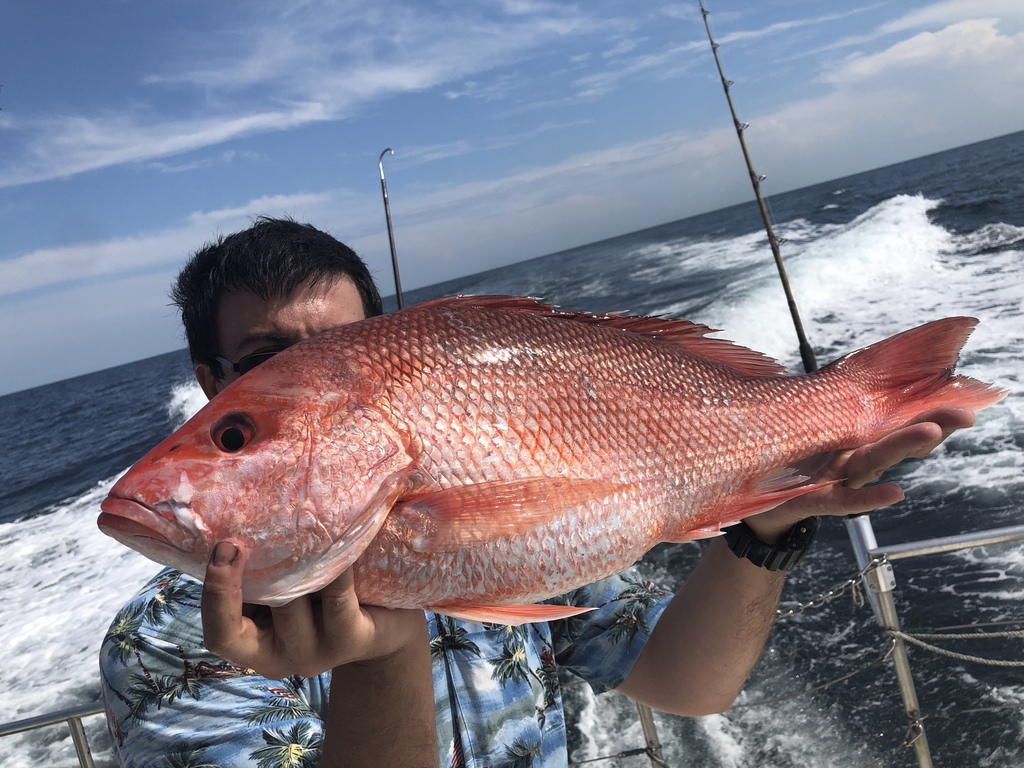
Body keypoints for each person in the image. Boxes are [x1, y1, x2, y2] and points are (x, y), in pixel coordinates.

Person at [100, 217, 976, 768]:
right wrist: (383, 654)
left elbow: (690, 684)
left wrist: (765, 527)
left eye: (343, 352)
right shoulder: (165, 649)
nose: (304, 378)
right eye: (262, 376)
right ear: (212, 384)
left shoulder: (509, 546)